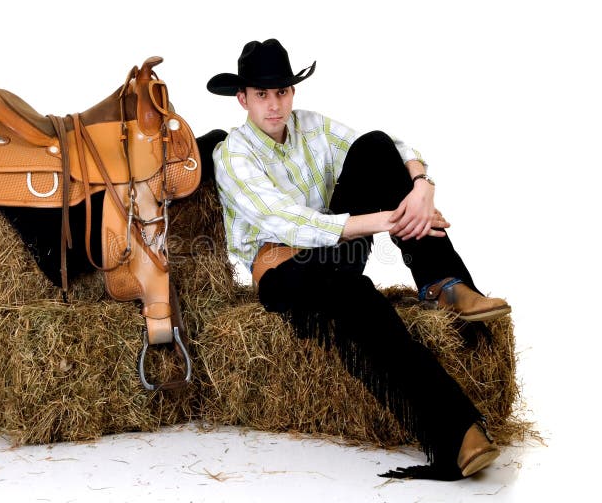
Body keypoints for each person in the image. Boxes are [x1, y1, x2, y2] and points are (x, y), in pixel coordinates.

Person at [206, 39, 508, 480]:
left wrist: (421, 188)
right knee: (358, 299)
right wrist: (385, 219)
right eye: (261, 95)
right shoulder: (231, 154)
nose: (274, 105)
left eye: (282, 92)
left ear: (292, 92)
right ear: (243, 99)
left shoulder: (310, 126)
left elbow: (394, 148)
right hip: (285, 270)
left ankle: (444, 282)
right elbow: (286, 221)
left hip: (334, 249)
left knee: (374, 146)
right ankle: (459, 433)